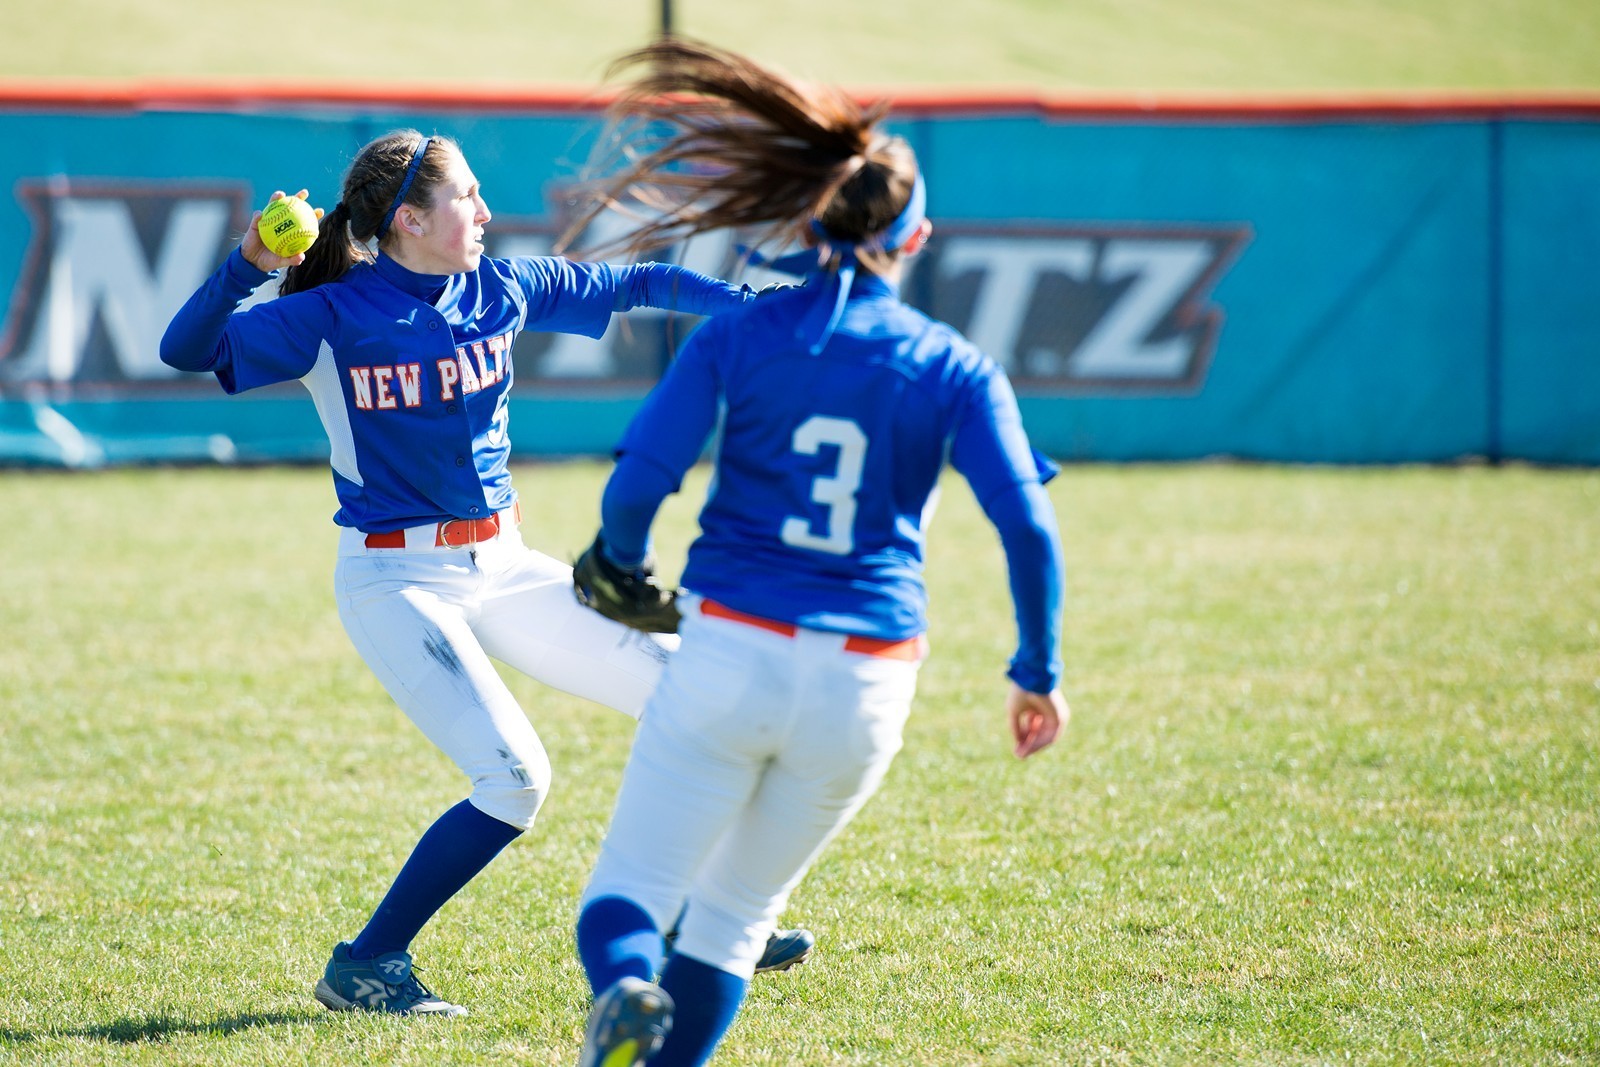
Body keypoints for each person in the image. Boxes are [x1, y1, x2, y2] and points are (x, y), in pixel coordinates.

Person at [158, 128, 814, 1019]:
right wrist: (247, 262)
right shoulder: (333, 315)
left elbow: (637, 281)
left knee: (694, 692)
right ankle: (368, 960)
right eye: (466, 196)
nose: (486, 210)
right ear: (411, 219)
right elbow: (186, 350)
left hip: (503, 563)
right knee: (515, 778)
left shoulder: (497, 285)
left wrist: (750, 302)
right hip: (398, 580)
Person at [560, 40, 1069, 1067]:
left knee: (625, 900)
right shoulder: (954, 364)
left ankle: (623, 986)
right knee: (734, 919)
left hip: (730, 645)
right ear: (914, 236)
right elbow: (1027, 526)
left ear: (805, 217)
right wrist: (1036, 670)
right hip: (868, 681)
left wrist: (618, 561)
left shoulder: (739, 335)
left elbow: (640, 480)